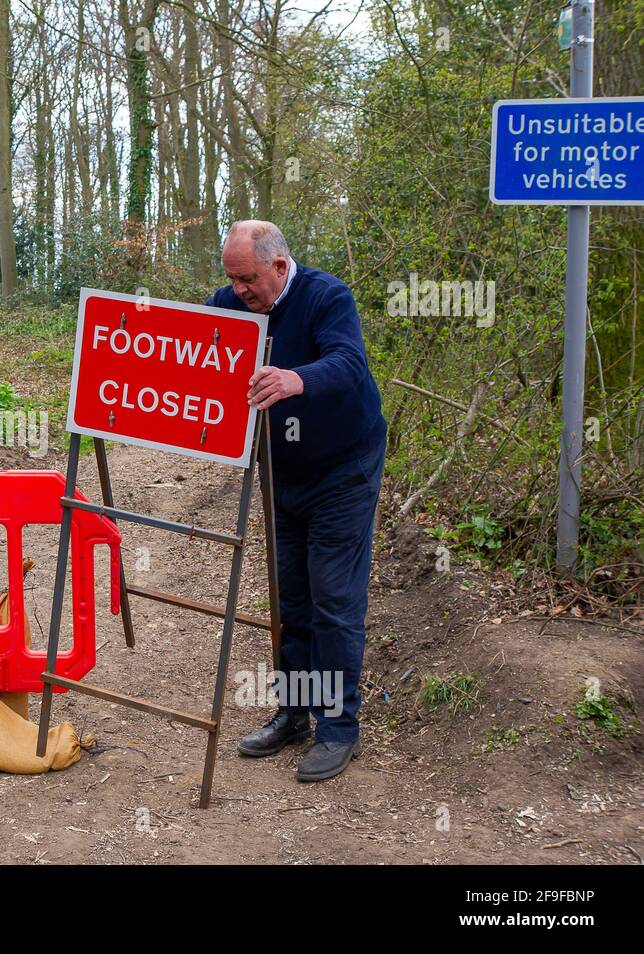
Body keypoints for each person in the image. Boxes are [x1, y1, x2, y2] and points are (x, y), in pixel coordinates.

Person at [207, 220, 386, 782]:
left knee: (334, 600)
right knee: (291, 601)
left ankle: (338, 728)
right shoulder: (229, 303)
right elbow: (188, 351)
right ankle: (293, 713)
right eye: (233, 280)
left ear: (280, 267)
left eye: (249, 280)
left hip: (342, 470)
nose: (240, 292)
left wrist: (294, 380)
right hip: (279, 475)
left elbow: (350, 363)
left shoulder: (327, 297)